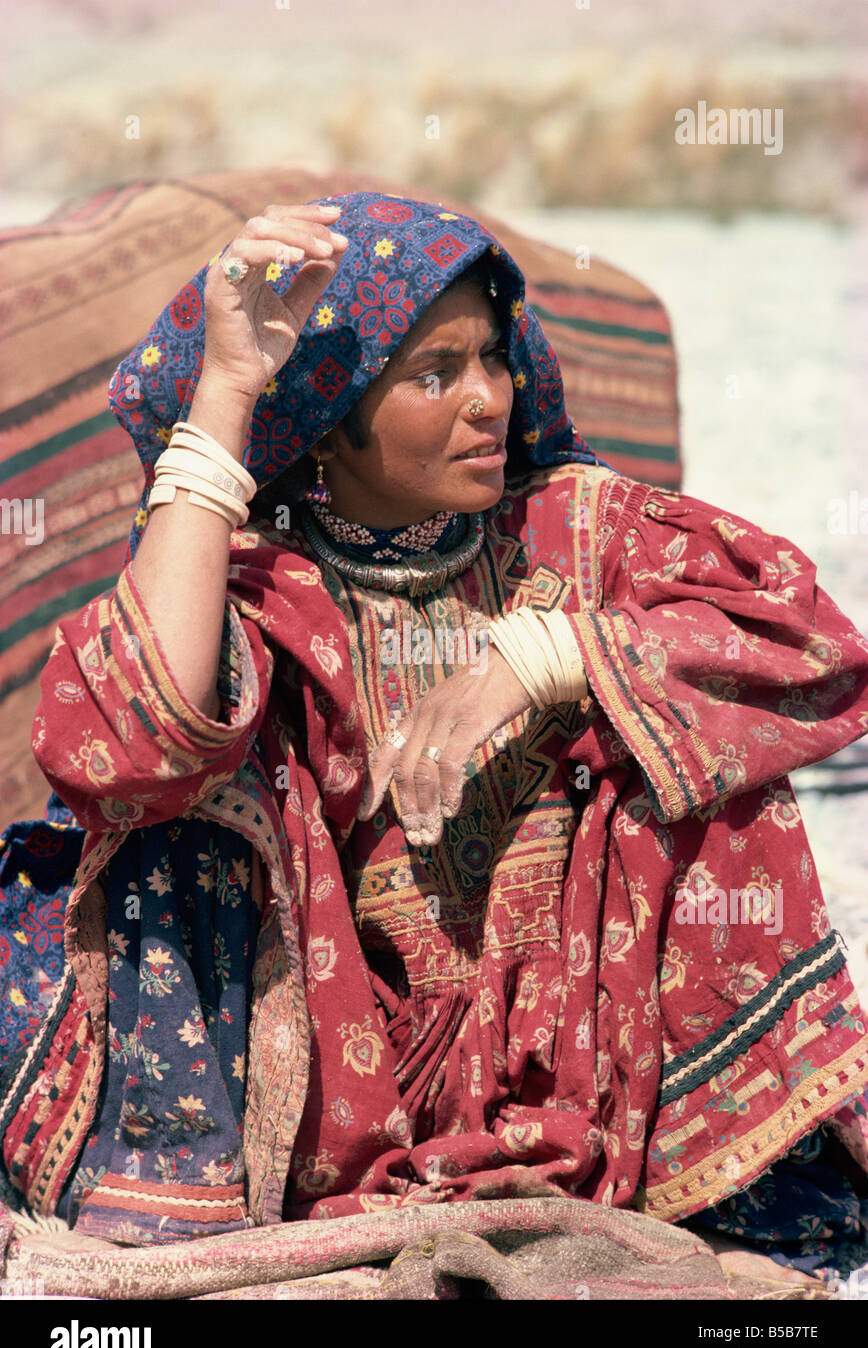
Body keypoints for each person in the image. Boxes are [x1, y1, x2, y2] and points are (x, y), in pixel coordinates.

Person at [1, 192, 866, 1273]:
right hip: (329, 1086)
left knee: (693, 735)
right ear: (327, 420)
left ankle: (733, 1183)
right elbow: (136, 740)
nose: (487, 400)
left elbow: (807, 638)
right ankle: (182, 1198)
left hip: (565, 1070)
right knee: (185, 823)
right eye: (432, 374)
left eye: (493, 361)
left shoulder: (569, 532)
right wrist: (227, 390)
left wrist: (540, 658)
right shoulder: (270, 587)